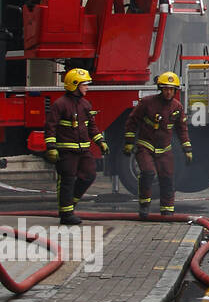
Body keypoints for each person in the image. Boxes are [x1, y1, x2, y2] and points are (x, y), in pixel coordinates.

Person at [45, 68, 109, 226]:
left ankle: (70, 204)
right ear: (74, 85)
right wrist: (51, 147)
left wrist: (100, 141)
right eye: (84, 84)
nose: (87, 87)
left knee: (89, 175)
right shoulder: (60, 105)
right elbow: (50, 127)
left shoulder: (85, 104)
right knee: (67, 180)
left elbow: (91, 127)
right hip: (66, 151)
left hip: (83, 150)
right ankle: (66, 215)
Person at [124, 71, 192, 219]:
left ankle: (167, 210)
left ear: (175, 90)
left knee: (167, 178)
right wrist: (129, 143)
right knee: (148, 173)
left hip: (165, 149)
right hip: (145, 145)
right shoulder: (147, 103)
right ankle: (144, 206)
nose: (168, 92)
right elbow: (132, 121)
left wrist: (187, 149)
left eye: (171, 89)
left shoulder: (177, 107)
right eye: (166, 88)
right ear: (160, 89)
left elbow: (182, 129)